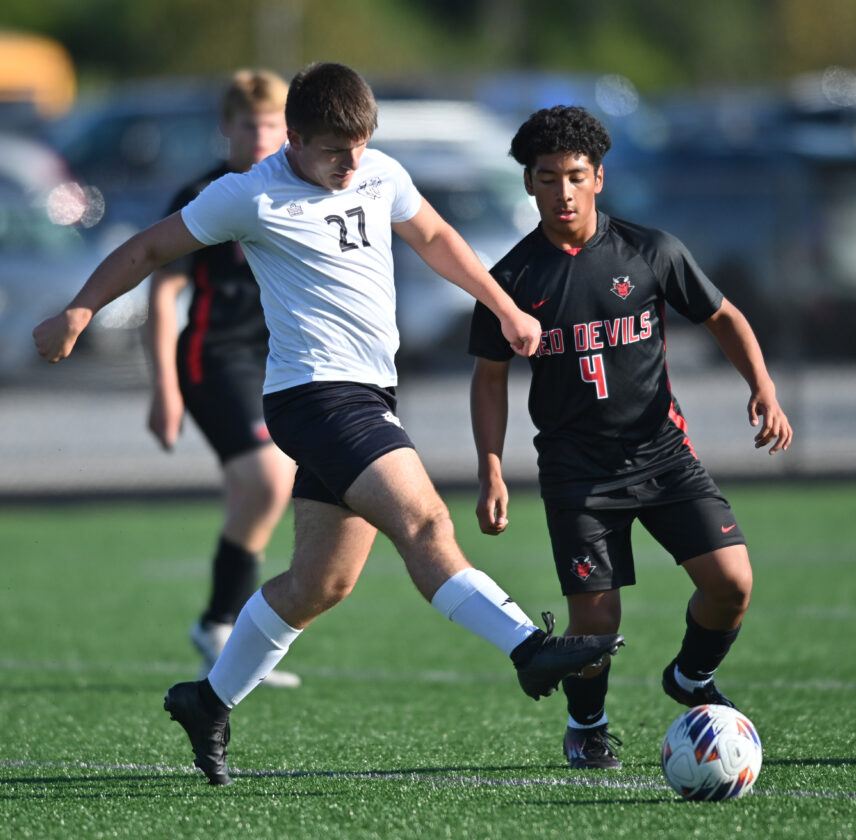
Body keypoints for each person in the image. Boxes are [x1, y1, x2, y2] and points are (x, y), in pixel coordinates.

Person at [33, 63, 624, 786]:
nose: (352, 163)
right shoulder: (249, 194)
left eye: (361, 146)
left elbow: (435, 236)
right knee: (426, 523)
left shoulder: (379, 172)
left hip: (370, 394)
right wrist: (82, 307)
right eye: (335, 151)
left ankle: (208, 700)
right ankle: (530, 649)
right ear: (295, 137)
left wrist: (503, 305)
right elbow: (149, 249)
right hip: (313, 397)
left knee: (321, 583)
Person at [468, 106, 792, 771]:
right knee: (596, 622)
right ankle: (587, 725)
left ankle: (691, 680)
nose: (563, 192)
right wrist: (491, 469)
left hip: (662, 454)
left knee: (732, 582)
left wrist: (762, 384)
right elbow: (489, 380)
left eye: (576, 176)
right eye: (548, 177)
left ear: (600, 178)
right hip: (576, 472)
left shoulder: (650, 251)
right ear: (529, 184)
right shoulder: (508, 282)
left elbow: (723, 316)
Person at [146, 69, 299, 688]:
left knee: (261, 488)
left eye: (272, 124)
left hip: (277, 360)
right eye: (249, 124)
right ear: (227, 127)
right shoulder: (204, 192)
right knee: (266, 480)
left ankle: (219, 624)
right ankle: (223, 625)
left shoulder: (293, 185)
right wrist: (163, 387)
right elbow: (163, 296)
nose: (261, 135)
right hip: (214, 359)